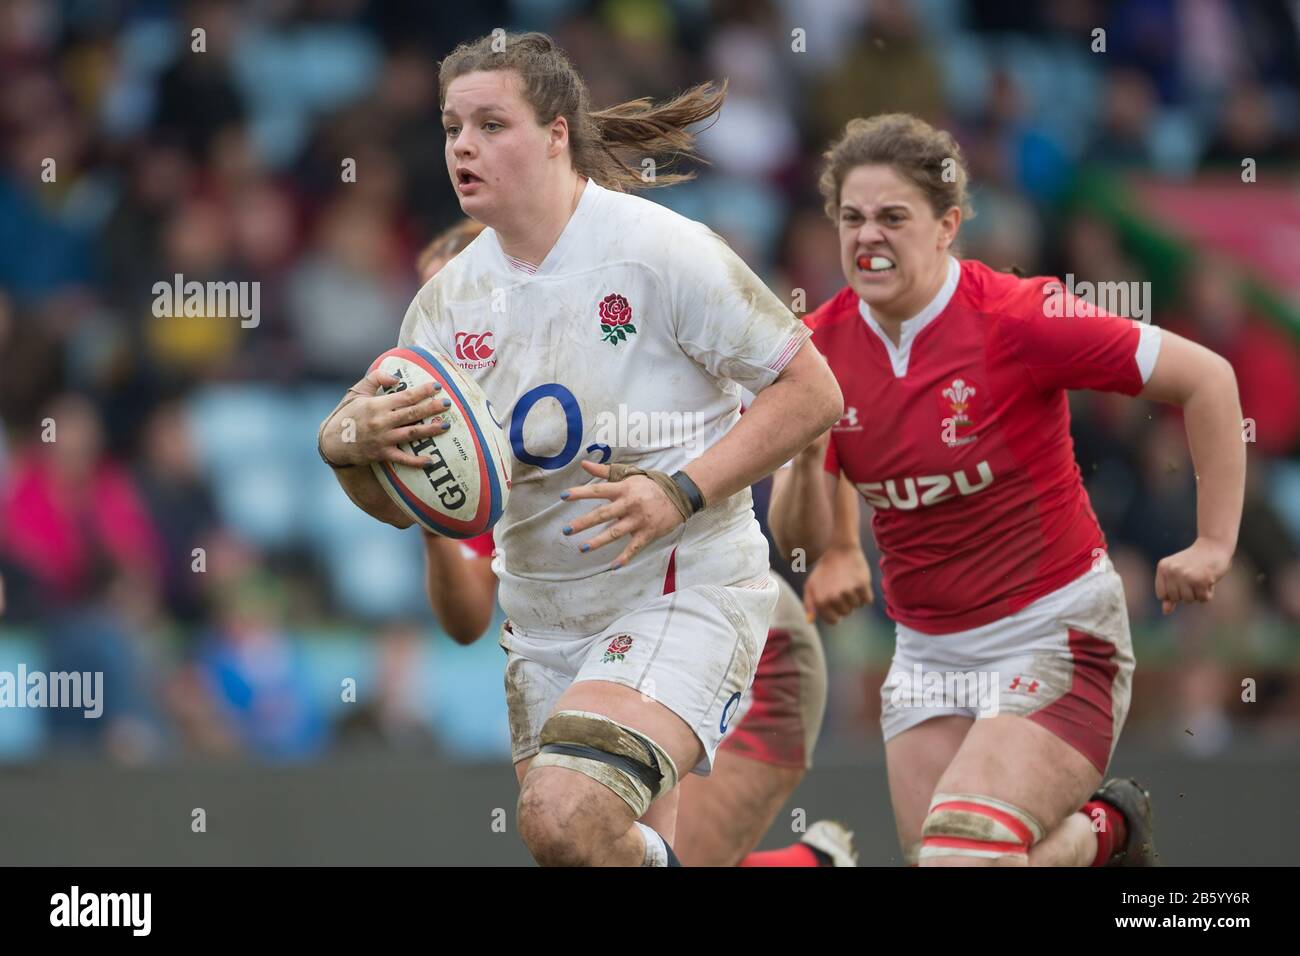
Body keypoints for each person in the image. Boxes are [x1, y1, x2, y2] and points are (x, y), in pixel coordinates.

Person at [317, 31, 844, 867]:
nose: (462, 145)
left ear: (557, 132)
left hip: (682, 589)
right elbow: (410, 501)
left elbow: (815, 393)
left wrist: (678, 490)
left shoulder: (661, 250)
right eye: (452, 127)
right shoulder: (446, 305)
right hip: (544, 623)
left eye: (491, 124)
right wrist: (348, 448)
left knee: (563, 815)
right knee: (583, 848)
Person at [769, 114, 1246, 867]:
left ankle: (1101, 831)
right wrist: (822, 516)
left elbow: (1208, 379)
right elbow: (794, 532)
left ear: (946, 225)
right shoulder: (813, 352)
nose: (868, 238)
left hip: (1055, 629)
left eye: (894, 217)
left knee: (964, 855)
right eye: (852, 218)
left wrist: (1214, 543)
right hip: (926, 653)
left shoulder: (1020, 316)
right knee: (950, 861)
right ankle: (1104, 840)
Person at [409, 218, 855, 866]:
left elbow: (802, 528)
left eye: (472, 336)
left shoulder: (613, 374)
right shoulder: (501, 463)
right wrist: (430, 513)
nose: (456, 359)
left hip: (752, 645)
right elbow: (465, 620)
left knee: (610, 833)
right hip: (609, 643)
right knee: (596, 845)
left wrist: (825, 509)